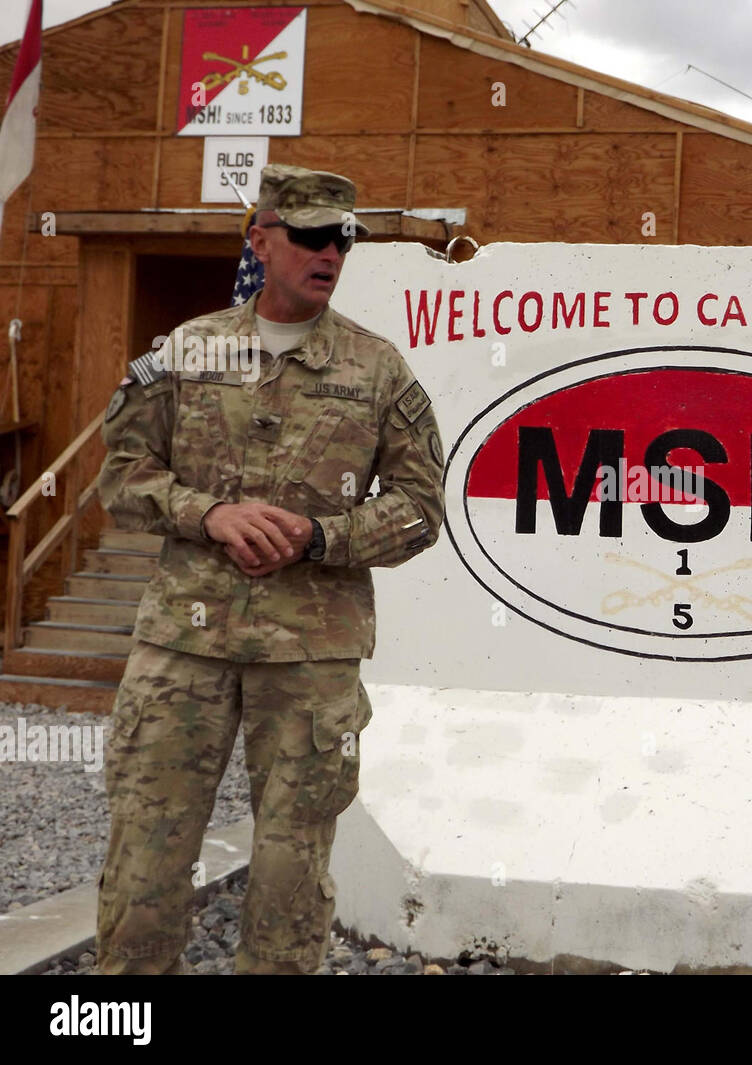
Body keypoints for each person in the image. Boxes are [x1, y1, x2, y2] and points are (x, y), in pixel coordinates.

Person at [94, 163, 445, 974]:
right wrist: (207, 513)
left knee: (290, 876)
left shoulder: (377, 369)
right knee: (146, 860)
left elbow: (423, 507)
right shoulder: (186, 351)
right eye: (312, 236)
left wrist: (323, 535)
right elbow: (121, 478)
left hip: (310, 656)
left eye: (342, 239)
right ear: (261, 240)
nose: (330, 252)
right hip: (183, 647)